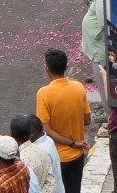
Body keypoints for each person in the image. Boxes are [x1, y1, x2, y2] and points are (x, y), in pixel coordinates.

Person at [37, 47, 91, 192]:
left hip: (57, 157)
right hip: (77, 154)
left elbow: (46, 130)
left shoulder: (44, 93)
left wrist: (72, 143)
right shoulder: (79, 87)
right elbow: (87, 121)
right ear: (66, 67)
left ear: (47, 68)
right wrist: (75, 142)